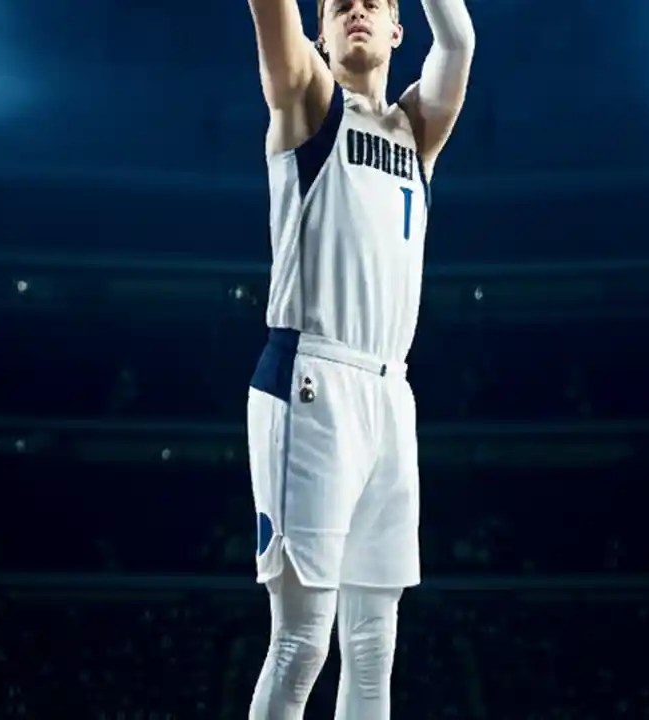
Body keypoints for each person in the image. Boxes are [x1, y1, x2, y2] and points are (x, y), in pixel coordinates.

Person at [243, 0, 474, 716]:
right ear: (322, 32)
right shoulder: (310, 101)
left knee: (374, 647)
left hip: (389, 393)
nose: (357, 11)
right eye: (340, 5)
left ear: (399, 29)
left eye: (375, 3)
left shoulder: (417, 130)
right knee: (301, 642)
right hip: (310, 378)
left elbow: (460, 38)